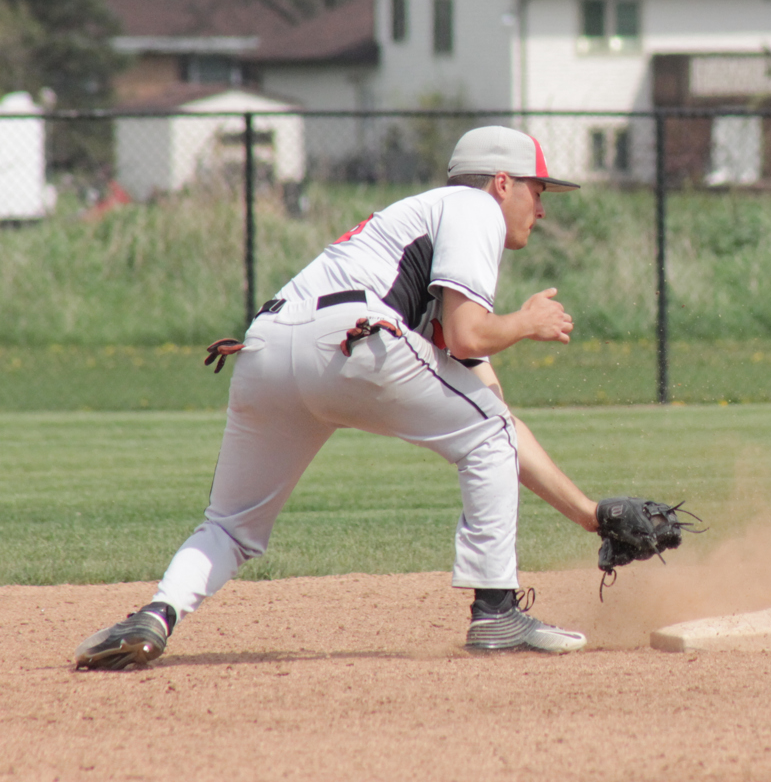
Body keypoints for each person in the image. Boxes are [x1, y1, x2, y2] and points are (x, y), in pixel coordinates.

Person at [76, 126, 605, 669]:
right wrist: (524, 321)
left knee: (231, 525)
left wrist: (592, 516)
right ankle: (496, 611)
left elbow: (498, 421)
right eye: (537, 190)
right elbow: (472, 340)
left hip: (267, 345)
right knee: (486, 433)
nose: (540, 209)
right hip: (353, 335)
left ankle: (155, 616)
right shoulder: (475, 210)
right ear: (501, 183)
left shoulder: (422, 229)